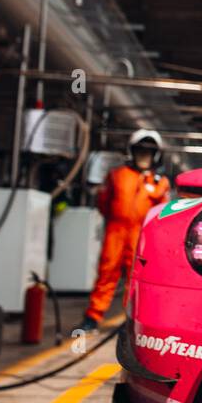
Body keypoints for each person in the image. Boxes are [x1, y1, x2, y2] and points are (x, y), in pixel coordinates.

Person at [74, 128, 170, 335]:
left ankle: (130, 322)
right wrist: (115, 220)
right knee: (106, 274)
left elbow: (162, 213)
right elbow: (104, 203)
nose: (144, 156)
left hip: (141, 236)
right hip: (115, 232)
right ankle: (93, 317)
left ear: (156, 155)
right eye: (140, 151)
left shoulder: (160, 183)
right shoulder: (117, 175)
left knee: (136, 279)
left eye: (148, 152)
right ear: (132, 152)